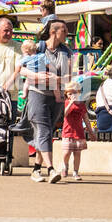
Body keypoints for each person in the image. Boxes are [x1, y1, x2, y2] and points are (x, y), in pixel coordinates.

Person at [22, 18, 71, 183]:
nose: (66, 33)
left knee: (46, 133)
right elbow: (22, 68)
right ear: (53, 32)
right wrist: (37, 76)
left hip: (56, 97)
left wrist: (55, 80)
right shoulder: (39, 48)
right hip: (37, 94)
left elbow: (68, 77)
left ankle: (36, 169)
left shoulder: (66, 51)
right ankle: (51, 169)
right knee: (43, 130)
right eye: (63, 30)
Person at [60, 80, 90, 180]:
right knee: (67, 151)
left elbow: (86, 118)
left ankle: (76, 172)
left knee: (77, 153)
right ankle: (65, 165)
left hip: (79, 132)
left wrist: (90, 131)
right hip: (67, 131)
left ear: (79, 92)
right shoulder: (66, 103)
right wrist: (71, 103)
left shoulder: (81, 104)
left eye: (74, 92)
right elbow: (64, 114)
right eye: (69, 93)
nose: (72, 95)